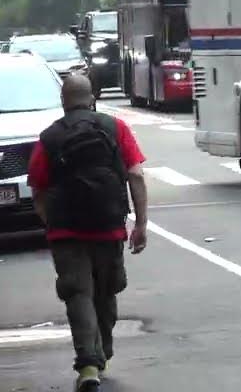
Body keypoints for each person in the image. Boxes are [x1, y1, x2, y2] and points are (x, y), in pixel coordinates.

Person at [27, 74, 149, 391]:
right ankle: (99, 353)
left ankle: (89, 365)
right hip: (108, 227)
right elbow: (136, 175)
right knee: (106, 292)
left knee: (78, 293)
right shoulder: (115, 128)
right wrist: (141, 223)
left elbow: (37, 188)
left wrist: (51, 221)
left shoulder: (49, 137)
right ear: (92, 98)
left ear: (63, 101)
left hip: (66, 233)